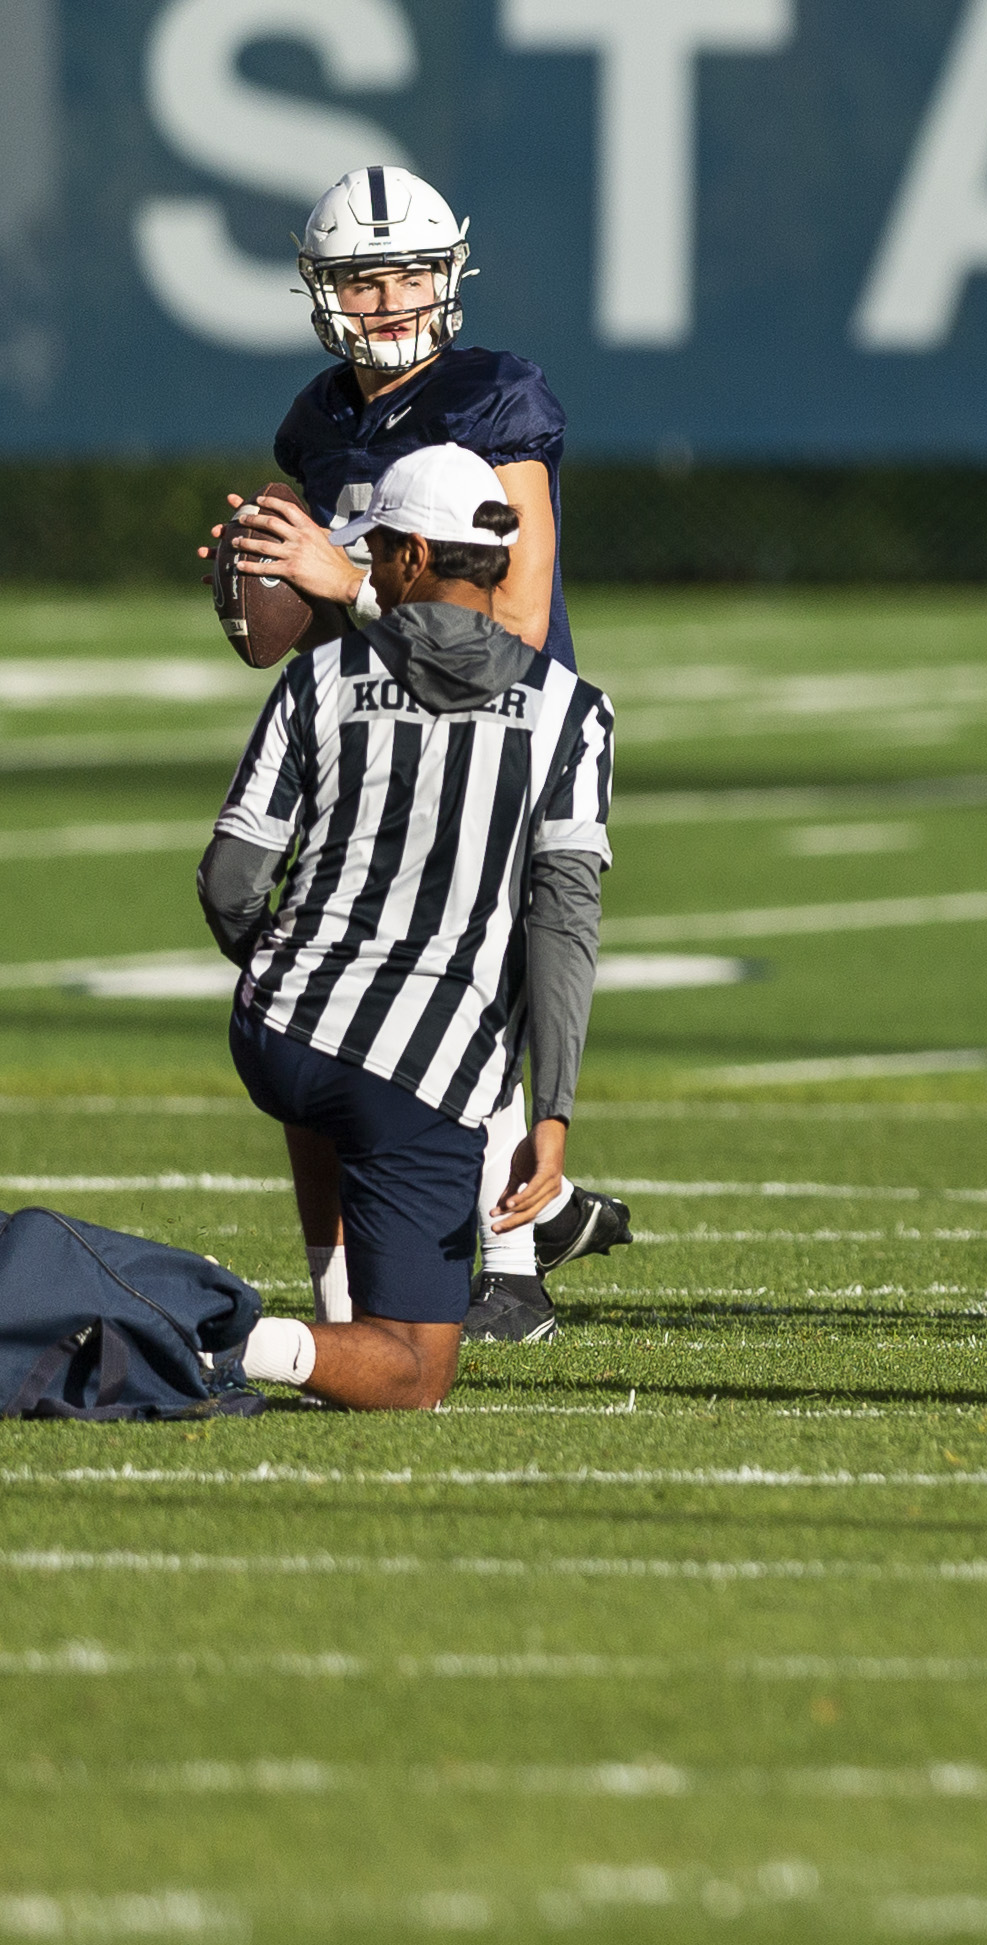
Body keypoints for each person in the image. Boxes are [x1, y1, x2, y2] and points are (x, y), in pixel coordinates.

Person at [195, 165, 629, 1346]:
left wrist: (343, 582)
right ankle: (416, 1271)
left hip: (498, 728)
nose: (389, 300)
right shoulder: (320, 421)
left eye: (408, 275)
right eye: (363, 278)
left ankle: (514, 1264)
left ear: (448, 279)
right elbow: (285, 632)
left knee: (469, 979)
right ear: (321, 291)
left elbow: (517, 627)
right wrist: (262, 582)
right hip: (375, 728)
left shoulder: (496, 398)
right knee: (372, 985)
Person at [200, 446, 616, 1410]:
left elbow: (229, 880)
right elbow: (562, 928)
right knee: (418, 1377)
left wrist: (278, 966)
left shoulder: (323, 680)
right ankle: (215, 1335)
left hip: (279, 1032)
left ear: (417, 557)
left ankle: (332, 1303)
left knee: (325, 1071)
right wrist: (549, 1111)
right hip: (415, 1073)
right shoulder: (572, 716)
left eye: (379, 547)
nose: (369, 567)